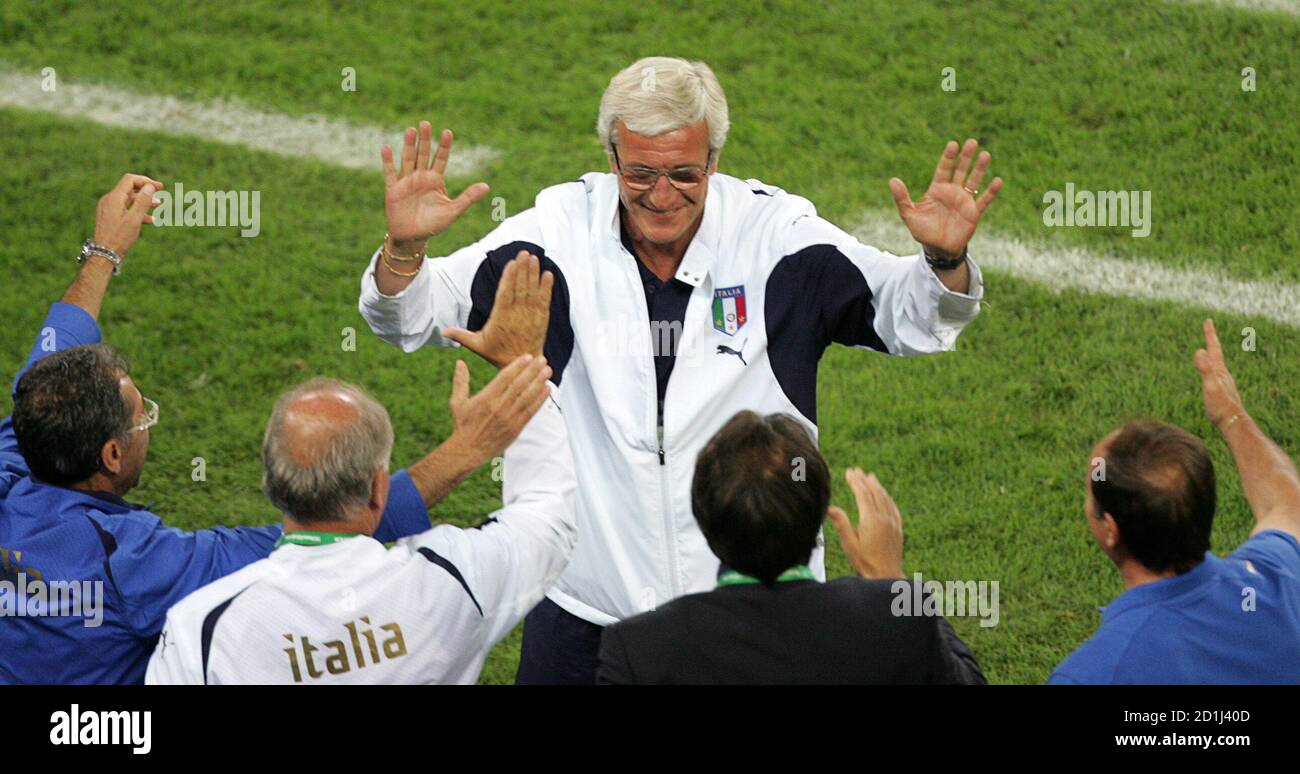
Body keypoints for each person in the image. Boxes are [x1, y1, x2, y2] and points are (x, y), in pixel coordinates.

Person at [358, 56, 1003, 683]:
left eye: (685, 174)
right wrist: (406, 250)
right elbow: (411, 317)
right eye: (640, 174)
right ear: (610, 157)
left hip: (748, 609)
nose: (662, 196)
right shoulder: (553, 235)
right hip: (584, 607)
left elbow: (910, 316)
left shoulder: (778, 236)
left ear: (715, 161)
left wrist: (944, 259)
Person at [0, 175, 539, 685]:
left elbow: (51, 360)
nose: (148, 423)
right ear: (112, 455)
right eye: (144, 415)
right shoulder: (140, 564)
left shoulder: (16, 458)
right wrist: (469, 448)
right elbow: (334, 524)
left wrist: (103, 253)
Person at [145, 357, 574, 684]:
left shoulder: (200, 628)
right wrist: (524, 365)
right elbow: (549, 516)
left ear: (270, 482)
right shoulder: (454, 578)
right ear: (379, 489)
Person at [596, 410, 985, 684]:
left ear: (704, 518)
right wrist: (891, 581)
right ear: (818, 516)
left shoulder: (638, 649)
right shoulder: (894, 619)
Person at [1049, 319, 1300, 684]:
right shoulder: (1275, 583)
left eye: (1090, 493)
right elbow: (1288, 506)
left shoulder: (1093, 673)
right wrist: (1232, 417)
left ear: (1111, 530)